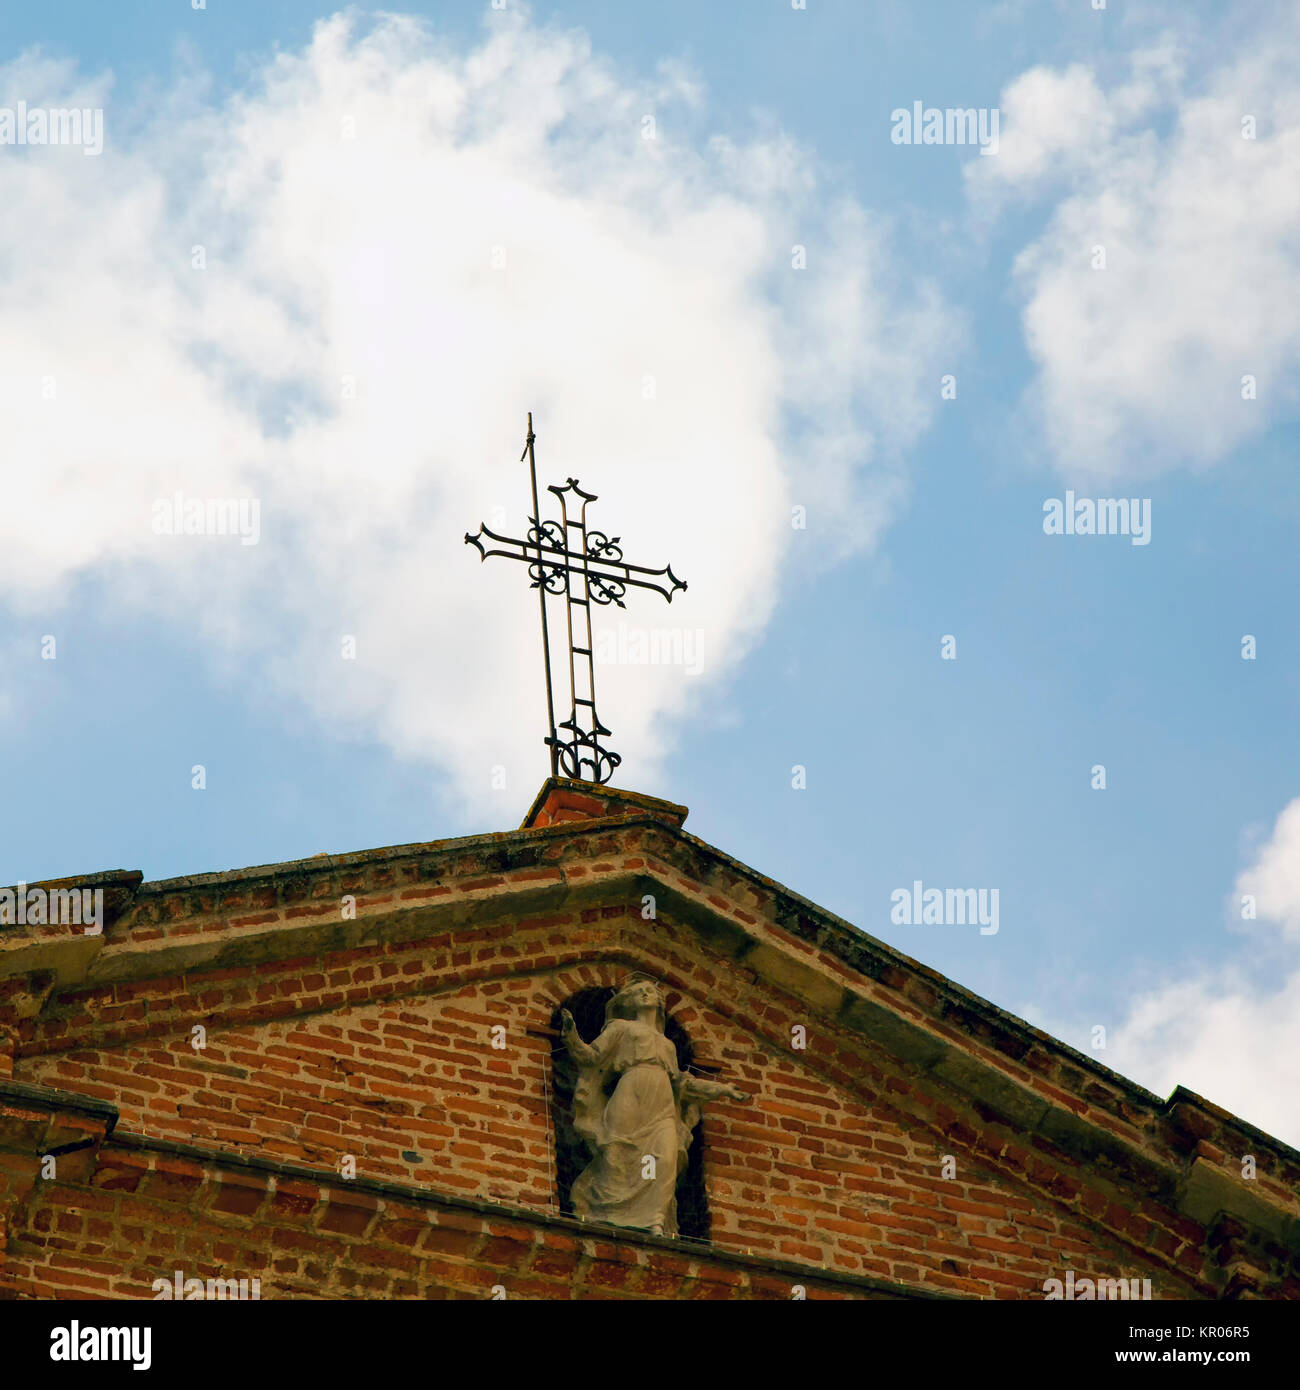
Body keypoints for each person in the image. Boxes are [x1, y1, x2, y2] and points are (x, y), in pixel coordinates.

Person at [560, 978, 749, 1236]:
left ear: (660, 1003)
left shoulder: (668, 1044)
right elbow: (591, 1056)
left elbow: (683, 1083)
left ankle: (655, 1220)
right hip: (629, 1093)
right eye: (639, 991)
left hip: (662, 1105)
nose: (646, 994)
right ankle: (605, 1214)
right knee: (616, 1152)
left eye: (650, 991)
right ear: (628, 1001)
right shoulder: (620, 1028)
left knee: (666, 1158)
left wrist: (722, 1089)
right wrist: (571, 1036)